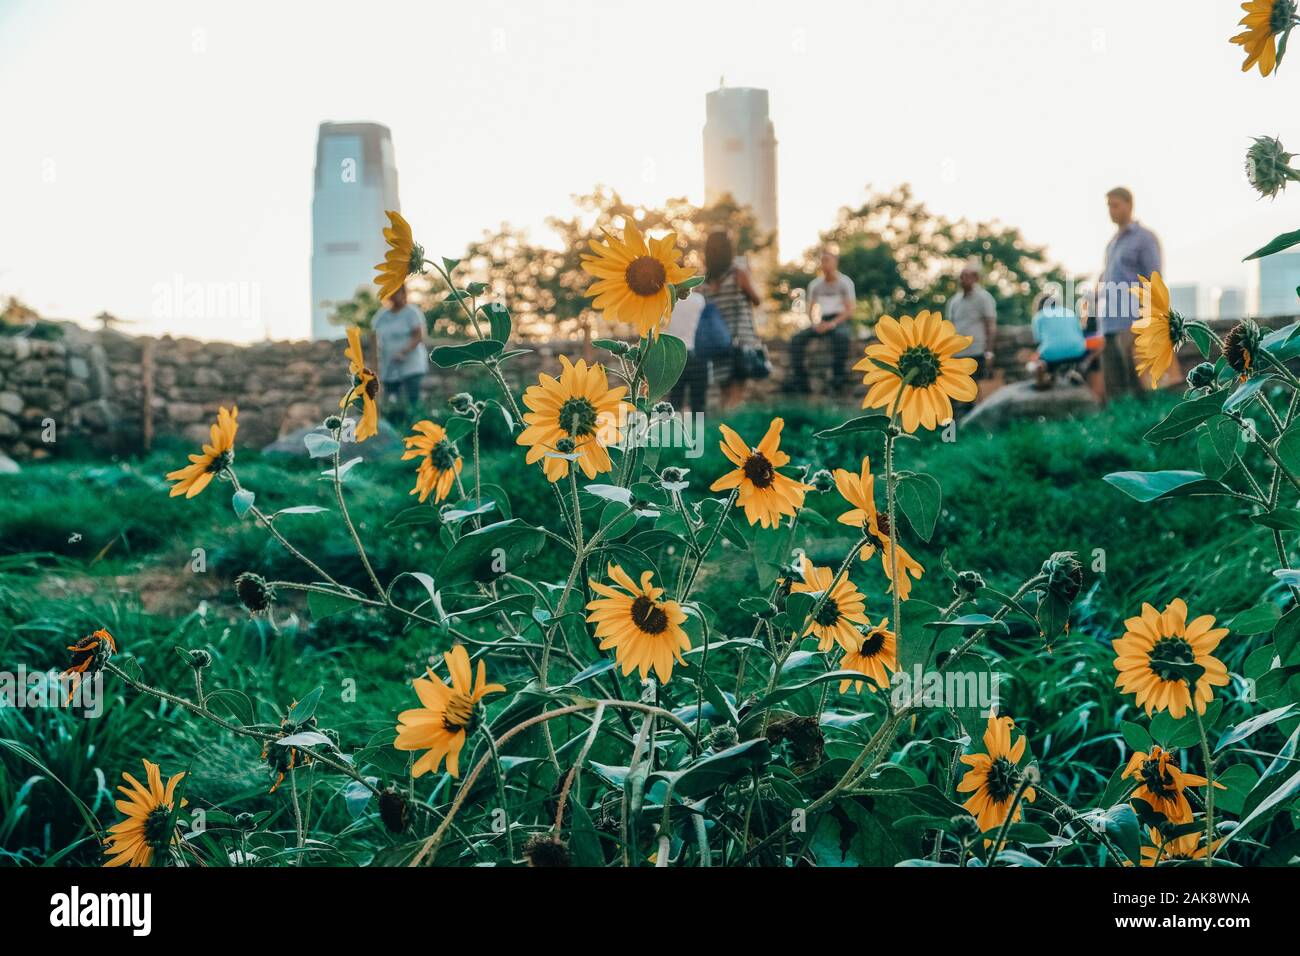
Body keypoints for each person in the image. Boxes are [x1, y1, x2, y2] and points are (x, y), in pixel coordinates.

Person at [1096, 186, 1162, 400]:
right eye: (1108, 207)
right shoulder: (1112, 243)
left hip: (1133, 319)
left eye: (1115, 205)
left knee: (1139, 383)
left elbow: (1154, 278)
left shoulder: (1144, 238)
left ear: (1129, 205)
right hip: (1109, 321)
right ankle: (1119, 427)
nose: (1111, 211)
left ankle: (1145, 426)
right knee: (1114, 385)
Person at [700, 232, 763, 410]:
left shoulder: (705, 280)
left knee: (723, 391)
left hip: (717, 341)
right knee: (737, 391)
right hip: (739, 338)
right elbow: (757, 300)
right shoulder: (737, 274)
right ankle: (731, 430)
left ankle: (719, 430)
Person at [786, 249, 855, 394]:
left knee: (841, 339)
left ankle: (838, 380)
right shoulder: (815, 285)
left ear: (835, 262)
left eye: (828, 260)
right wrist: (816, 324)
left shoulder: (845, 283)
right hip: (822, 321)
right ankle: (800, 381)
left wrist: (833, 324)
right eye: (822, 261)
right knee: (796, 340)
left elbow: (849, 311)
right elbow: (810, 309)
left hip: (839, 321)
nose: (825, 264)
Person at [944, 261, 997, 413]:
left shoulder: (984, 298)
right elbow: (949, 328)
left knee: (973, 389)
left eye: (966, 275)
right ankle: (957, 424)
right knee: (955, 390)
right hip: (956, 353)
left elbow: (990, 325)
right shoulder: (953, 301)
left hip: (976, 350)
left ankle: (973, 422)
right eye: (961, 276)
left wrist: (989, 351)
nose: (963, 279)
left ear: (976, 278)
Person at [373, 283, 427, 420]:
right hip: (389, 366)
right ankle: (396, 428)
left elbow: (418, 336)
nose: (395, 295)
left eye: (397, 292)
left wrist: (403, 351)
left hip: (411, 365)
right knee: (391, 401)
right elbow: (373, 336)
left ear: (403, 293)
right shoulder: (382, 316)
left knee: (412, 399)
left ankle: (415, 425)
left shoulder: (411, 312)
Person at [1028, 291, 1088, 389]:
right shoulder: (1070, 312)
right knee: (1082, 351)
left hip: (1051, 354)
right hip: (1077, 351)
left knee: (1038, 359)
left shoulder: (1038, 316)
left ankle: (1042, 378)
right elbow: (1080, 333)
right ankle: (1077, 371)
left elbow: (1038, 340)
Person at [667, 290, 708, 413]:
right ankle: (700, 430)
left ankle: (671, 428)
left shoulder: (668, 299)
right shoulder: (699, 299)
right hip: (697, 352)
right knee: (698, 400)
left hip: (675, 353)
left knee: (675, 398)